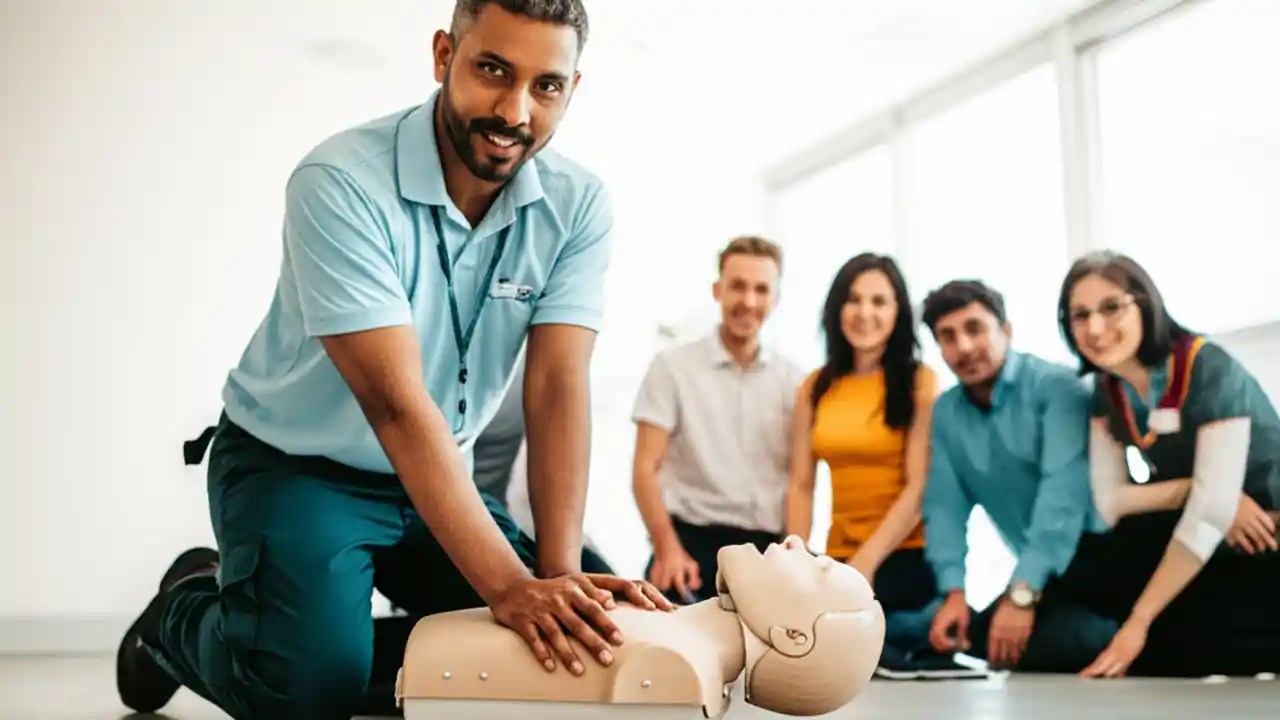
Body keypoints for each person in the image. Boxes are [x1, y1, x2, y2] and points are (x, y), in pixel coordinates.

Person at [115, 3, 671, 719]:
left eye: (546, 86)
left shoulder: (578, 204)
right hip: (297, 469)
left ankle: (307, 636)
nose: (513, 110)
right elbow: (397, 405)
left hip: (436, 477)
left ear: (571, 90)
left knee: (588, 642)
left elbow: (559, 386)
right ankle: (183, 611)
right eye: (492, 70)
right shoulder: (340, 181)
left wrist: (556, 578)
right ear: (444, 56)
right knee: (310, 690)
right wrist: (509, 588)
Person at [1059, 250, 1280, 678]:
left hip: (1268, 529)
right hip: (1211, 529)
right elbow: (1110, 502)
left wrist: (1138, 623)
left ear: (1145, 303)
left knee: (1172, 640)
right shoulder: (1107, 392)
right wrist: (1204, 492)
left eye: (1111, 308)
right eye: (1080, 315)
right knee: (1120, 550)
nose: (1095, 328)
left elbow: (1209, 513)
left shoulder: (1208, 366)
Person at [398, 535, 884, 720]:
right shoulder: (673, 629)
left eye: (818, 567)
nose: (798, 540)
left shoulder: (676, 668)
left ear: (792, 637)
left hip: (415, 661)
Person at [920, 280, 1119, 673]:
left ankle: (1118, 640)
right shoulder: (946, 413)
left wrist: (1022, 596)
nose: (963, 347)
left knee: (1059, 642)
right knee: (970, 639)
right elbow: (945, 508)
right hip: (1040, 575)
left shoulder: (1056, 388)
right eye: (948, 336)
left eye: (974, 328)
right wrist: (954, 592)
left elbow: (1062, 498)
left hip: (1101, 559)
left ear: (1005, 330)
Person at [784, 253, 940, 665]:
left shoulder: (920, 381)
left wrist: (865, 563)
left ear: (897, 312)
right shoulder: (815, 387)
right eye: (853, 300)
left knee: (857, 645)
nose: (864, 313)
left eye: (878, 301)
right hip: (838, 559)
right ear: (836, 308)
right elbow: (801, 483)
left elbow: (918, 486)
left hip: (903, 555)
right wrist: (796, 558)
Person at [631, 236, 804, 604]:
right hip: (689, 545)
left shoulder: (796, 383)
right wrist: (667, 549)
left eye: (762, 289)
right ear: (717, 290)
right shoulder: (671, 369)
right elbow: (645, 468)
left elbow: (801, 481)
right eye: (737, 286)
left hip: (766, 551)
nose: (749, 301)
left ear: (776, 298)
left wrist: (795, 561)